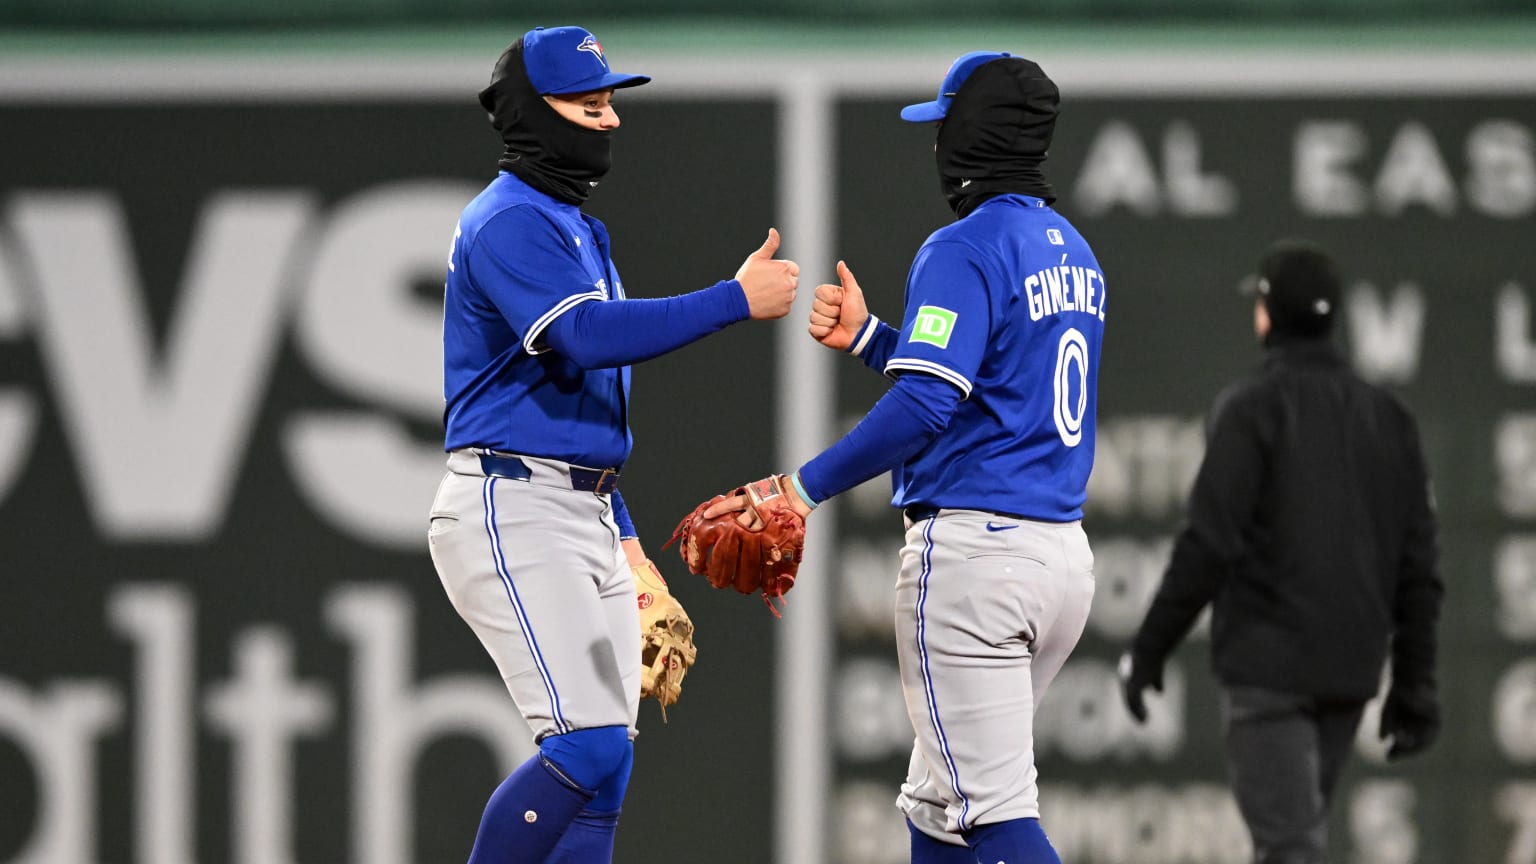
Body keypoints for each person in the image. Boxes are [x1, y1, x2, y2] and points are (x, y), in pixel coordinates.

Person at [702, 51, 1102, 864]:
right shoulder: (1072, 251)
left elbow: (928, 403)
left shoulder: (964, 246)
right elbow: (989, 387)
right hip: (1059, 558)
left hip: (975, 562)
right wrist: (875, 339)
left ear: (971, 137)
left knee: (993, 811)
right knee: (937, 806)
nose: (936, 146)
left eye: (945, 127)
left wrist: (799, 488)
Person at [426, 25, 798, 864]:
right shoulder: (506, 222)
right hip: (509, 500)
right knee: (585, 747)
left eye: (609, 104)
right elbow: (587, 339)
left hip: (578, 502)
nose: (609, 121)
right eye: (588, 105)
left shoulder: (571, 226)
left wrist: (625, 535)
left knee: (608, 767)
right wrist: (733, 299)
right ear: (533, 115)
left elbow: (583, 399)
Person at [1117, 239, 1444, 864]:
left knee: (1290, 848)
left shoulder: (1252, 410)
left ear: (1267, 314)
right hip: (1349, 670)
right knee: (1290, 843)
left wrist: (1150, 647)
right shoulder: (1391, 418)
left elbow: (1208, 543)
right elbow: (1419, 570)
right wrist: (1415, 684)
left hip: (1269, 672)